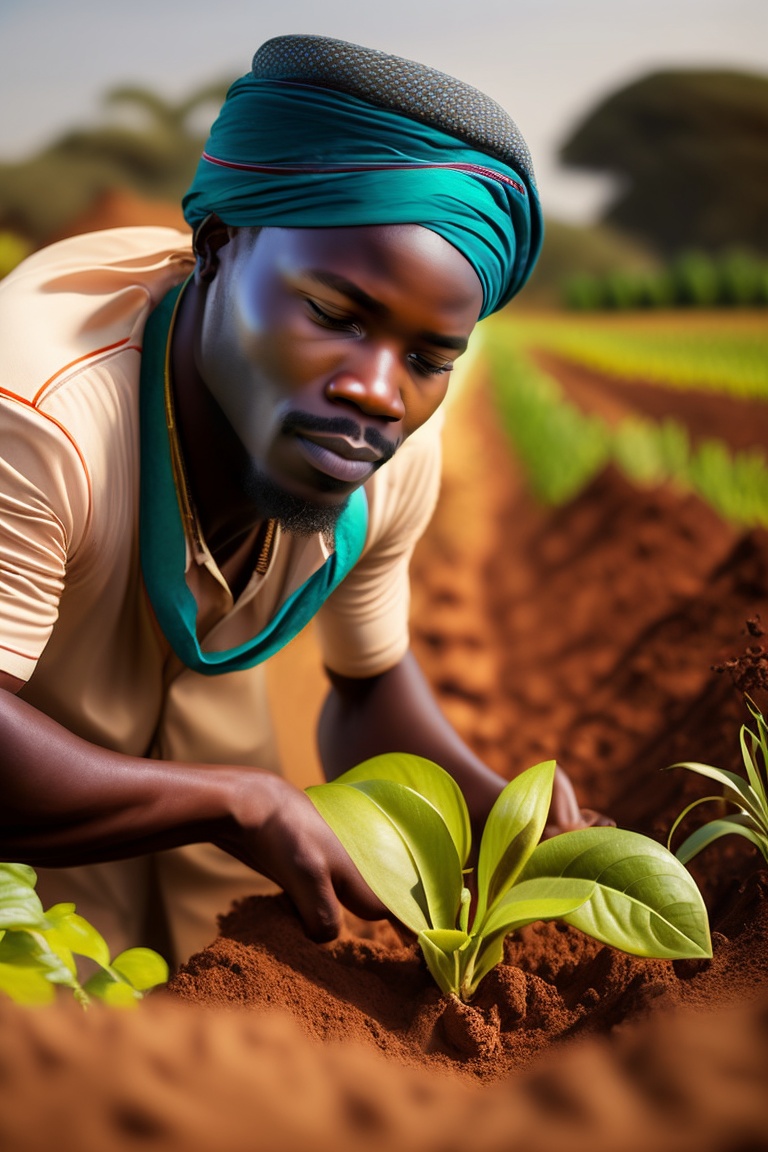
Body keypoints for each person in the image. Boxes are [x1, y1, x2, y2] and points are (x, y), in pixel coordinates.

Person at [0, 34, 598, 967]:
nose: (377, 392)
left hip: (190, 701)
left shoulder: (392, 452)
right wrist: (237, 799)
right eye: (333, 316)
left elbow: (365, 691)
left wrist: (497, 815)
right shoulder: (36, 417)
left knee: (215, 938)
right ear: (218, 245)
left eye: (429, 359)